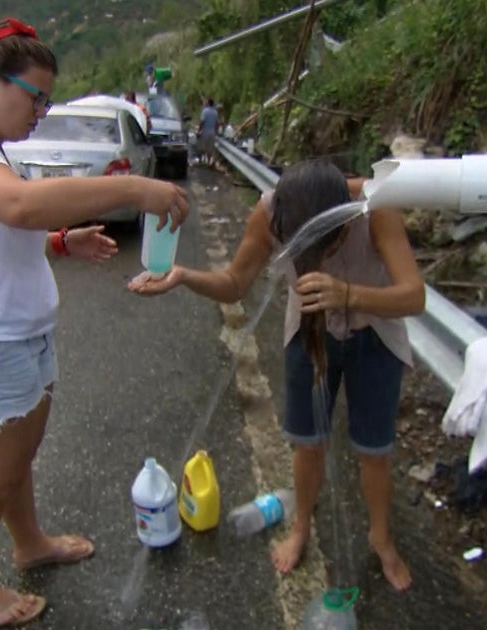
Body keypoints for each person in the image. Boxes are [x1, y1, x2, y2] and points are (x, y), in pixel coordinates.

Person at [0, 18, 189, 626]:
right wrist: (135, 189)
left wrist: (61, 242)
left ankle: (30, 542)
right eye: (33, 95)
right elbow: (17, 205)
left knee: (16, 461)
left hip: (15, 336)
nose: (40, 110)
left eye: (46, 99)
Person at [129, 159, 423, 591]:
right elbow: (234, 282)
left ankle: (381, 538)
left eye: (329, 245)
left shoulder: (375, 208)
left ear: (342, 221)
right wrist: (183, 277)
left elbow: (413, 296)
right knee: (307, 444)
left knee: (374, 450)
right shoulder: (270, 212)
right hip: (307, 329)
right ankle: (301, 525)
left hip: (374, 332)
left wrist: (347, 294)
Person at [196, 99, 220, 168]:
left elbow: (202, 121)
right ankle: (209, 162)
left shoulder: (205, 111)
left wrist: (199, 130)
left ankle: (200, 161)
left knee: (201, 147)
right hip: (212, 133)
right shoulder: (215, 112)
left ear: (208, 103)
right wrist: (216, 132)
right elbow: (216, 124)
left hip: (205, 132)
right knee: (210, 148)